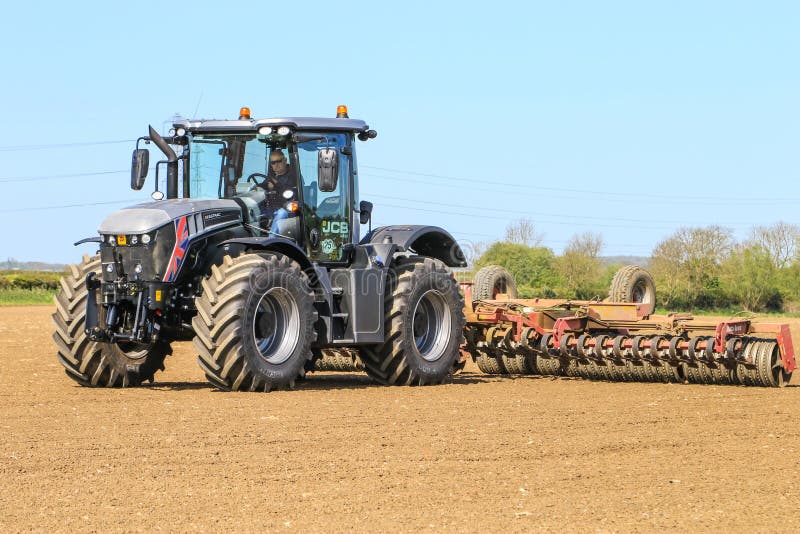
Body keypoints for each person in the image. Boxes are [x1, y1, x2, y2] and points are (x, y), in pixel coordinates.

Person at [263, 149, 298, 236]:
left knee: (282, 213)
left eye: (279, 161)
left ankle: (270, 241)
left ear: (285, 160)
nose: (276, 165)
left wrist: (277, 184)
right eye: (273, 163)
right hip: (270, 209)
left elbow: (292, 193)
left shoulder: (294, 176)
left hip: (288, 208)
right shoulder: (270, 178)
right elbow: (262, 186)